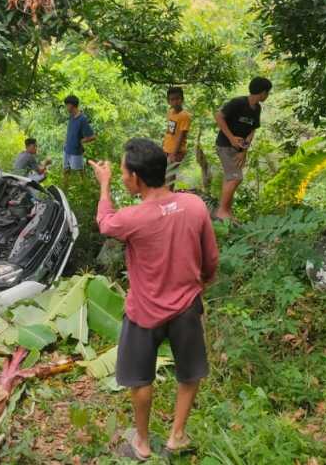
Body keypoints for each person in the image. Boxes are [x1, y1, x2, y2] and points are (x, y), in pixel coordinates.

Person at [90, 139, 218, 461]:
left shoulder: (132, 217)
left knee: (140, 378)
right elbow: (211, 258)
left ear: (136, 178)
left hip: (144, 311)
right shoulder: (194, 205)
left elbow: (105, 223)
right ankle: (177, 436)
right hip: (187, 306)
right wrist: (201, 282)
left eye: (121, 172)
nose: (120, 176)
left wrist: (103, 186)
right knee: (190, 373)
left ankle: (143, 443)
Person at [214, 77, 272, 221]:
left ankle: (226, 210)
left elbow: (252, 130)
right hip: (225, 145)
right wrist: (232, 138)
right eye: (267, 92)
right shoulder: (238, 103)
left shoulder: (257, 108)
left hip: (239, 149)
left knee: (230, 178)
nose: (267, 95)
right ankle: (222, 212)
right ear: (262, 92)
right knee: (235, 178)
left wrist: (244, 151)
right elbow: (218, 116)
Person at [162, 87, 192, 189]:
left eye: (177, 98)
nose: (175, 102)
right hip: (167, 149)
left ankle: (168, 200)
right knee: (167, 176)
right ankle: (168, 197)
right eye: (172, 99)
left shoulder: (185, 116)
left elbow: (181, 136)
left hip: (176, 152)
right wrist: (164, 146)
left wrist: (174, 154)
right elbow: (170, 131)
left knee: (169, 178)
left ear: (182, 99)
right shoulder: (170, 112)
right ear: (168, 101)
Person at [62, 95, 95, 172]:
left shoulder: (82, 119)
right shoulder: (71, 116)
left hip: (76, 152)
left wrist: (80, 141)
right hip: (67, 149)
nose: (66, 107)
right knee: (65, 170)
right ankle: (65, 184)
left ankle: (83, 184)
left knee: (79, 171)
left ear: (71, 105)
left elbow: (92, 137)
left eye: (67, 105)